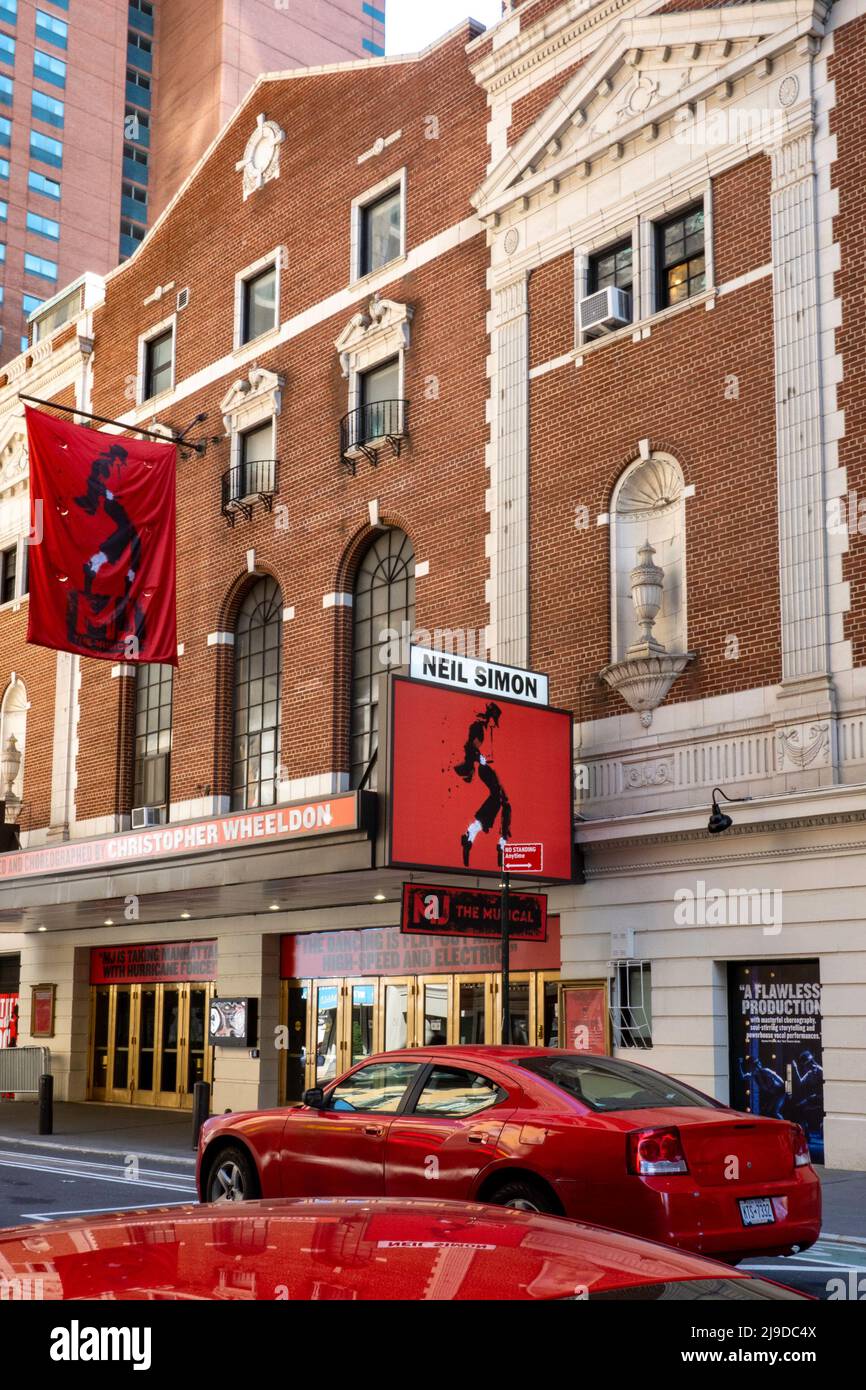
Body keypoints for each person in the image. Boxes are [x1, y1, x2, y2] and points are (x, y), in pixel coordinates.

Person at [455, 701, 512, 867]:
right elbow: (470, 746)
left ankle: (474, 834)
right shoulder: (478, 727)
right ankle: (501, 842)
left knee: (503, 801)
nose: (495, 720)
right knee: (501, 798)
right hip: (484, 769)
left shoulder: (487, 728)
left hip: (489, 768)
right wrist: (480, 759)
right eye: (494, 716)